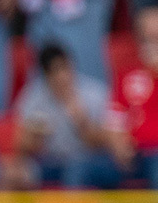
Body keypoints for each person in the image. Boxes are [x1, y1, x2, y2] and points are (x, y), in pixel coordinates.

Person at [15, 44, 127, 188]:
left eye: (64, 68)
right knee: (20, 173)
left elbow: (108, 142)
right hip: (50, 162)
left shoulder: (94, 93)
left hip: (89, 160)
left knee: (76, 168)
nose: (61, 76)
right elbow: (21, 147)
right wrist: (35, 137)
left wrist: (82, 123)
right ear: (45, 75)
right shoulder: (33, 98)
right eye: (54, 72)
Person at [112, 8, 158, 191]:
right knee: (81, 168)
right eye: (146, 38)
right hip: (133, 155)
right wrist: (117, 143)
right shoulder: (127, 75)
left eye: (156, 37)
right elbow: (113, 121)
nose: (152, 44)